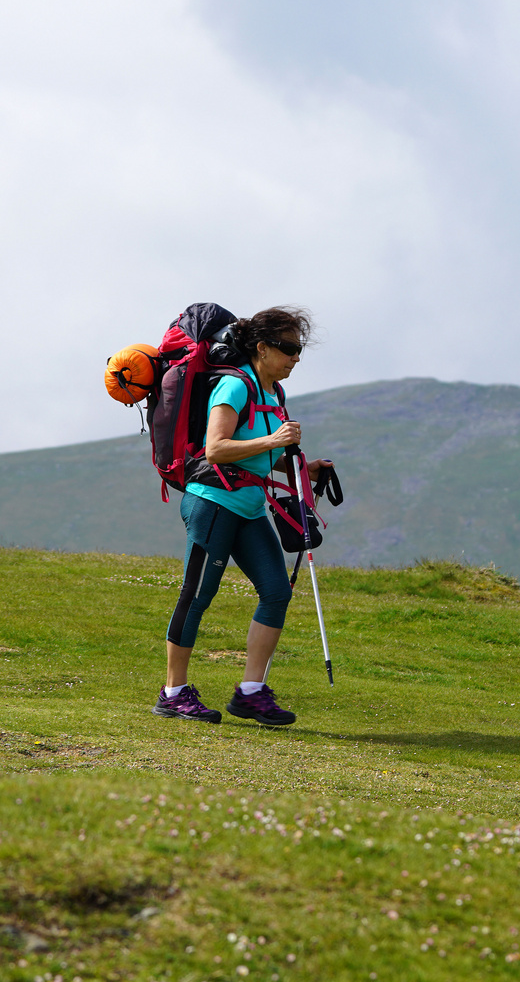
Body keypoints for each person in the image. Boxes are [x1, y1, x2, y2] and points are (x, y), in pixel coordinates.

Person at [151, 306, 331, 727]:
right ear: (262, 348)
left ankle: (250, 693)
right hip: (212, 501)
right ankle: (173, 693)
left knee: (275, 591)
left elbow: (259, 453)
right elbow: (215, 448)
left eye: (299, 349)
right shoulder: (234, 386)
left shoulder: (274, 393)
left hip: (247, 505)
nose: (295, 358)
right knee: (197, 596)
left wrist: (303, 468)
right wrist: (275, 438)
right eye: (288, 348)